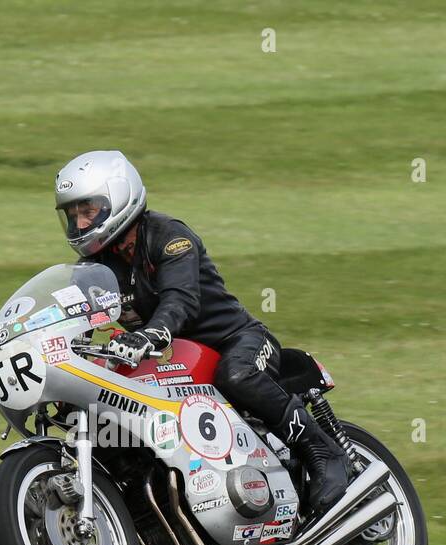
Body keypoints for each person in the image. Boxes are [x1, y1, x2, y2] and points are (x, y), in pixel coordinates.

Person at [53, 149, 350, 514]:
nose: (81, 224)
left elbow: (180, 300)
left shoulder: (169, 236)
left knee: (236, 374)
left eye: (88, 211)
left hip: (236, 342)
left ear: (118, 197)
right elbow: (77, 319)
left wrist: (153, 333)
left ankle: (323, 451)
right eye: (73, 215)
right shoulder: (93, 269)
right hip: (175, 363)